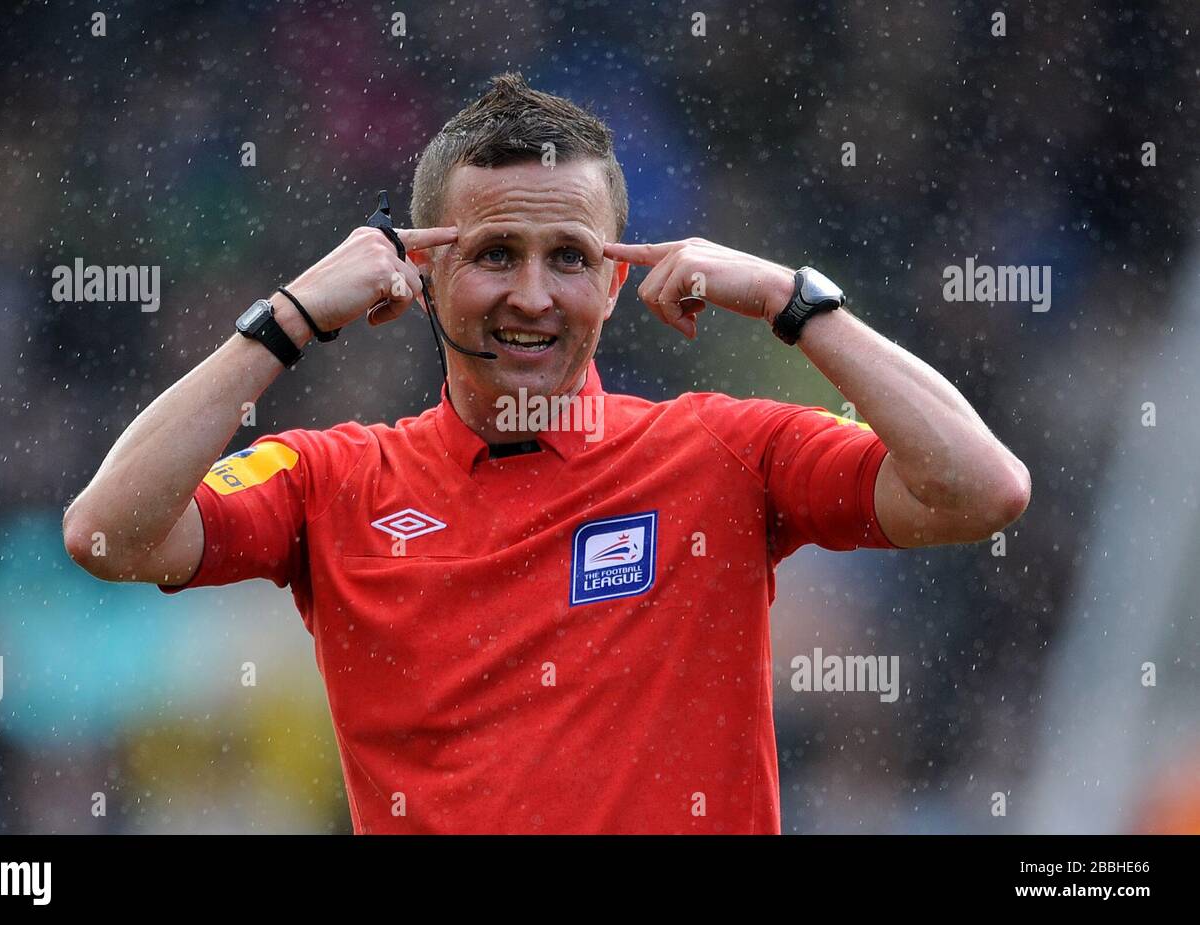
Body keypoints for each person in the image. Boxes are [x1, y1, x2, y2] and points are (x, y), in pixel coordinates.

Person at [63, 73, 1030, 834]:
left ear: (614, 284)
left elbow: (983, 489)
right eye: (495, 253)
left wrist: (791, 297)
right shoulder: (335, 479)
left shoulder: (722, 451)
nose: (533, 293)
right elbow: (108, 535)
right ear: (425, 275)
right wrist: (286, 321)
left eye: (569, 256)